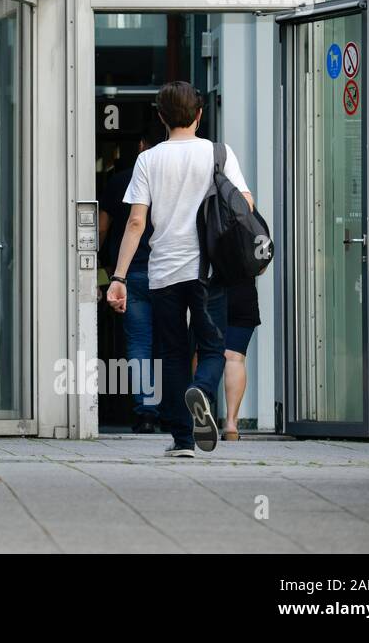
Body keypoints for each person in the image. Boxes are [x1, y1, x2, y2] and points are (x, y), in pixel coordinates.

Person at [106, 82, 254, 458]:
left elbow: (136, 222)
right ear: (200, 114)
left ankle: (183, 440)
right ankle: (202, 391)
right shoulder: (218, 154)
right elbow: (246, 205)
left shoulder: (148, 160)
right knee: (213, 346)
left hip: (163, 271)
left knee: (172, 354)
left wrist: (119, 277)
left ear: (161, 117)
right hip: (208, 270)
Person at [99, 117, 166, 433]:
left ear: (141, 147)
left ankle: (146, 412)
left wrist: (109, 268)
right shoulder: (173, 179)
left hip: (132, 272)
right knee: (171, 342)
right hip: (170, 272)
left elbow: (101, 228)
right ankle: (174, 410)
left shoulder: (119, 181)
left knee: (139, 343)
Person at [222, 278, 261, 441]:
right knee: (235, 358)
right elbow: (260, 266)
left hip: (211, 291)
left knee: (202, 354)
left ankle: (197, 417)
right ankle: (231, 423)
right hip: (244, 294)